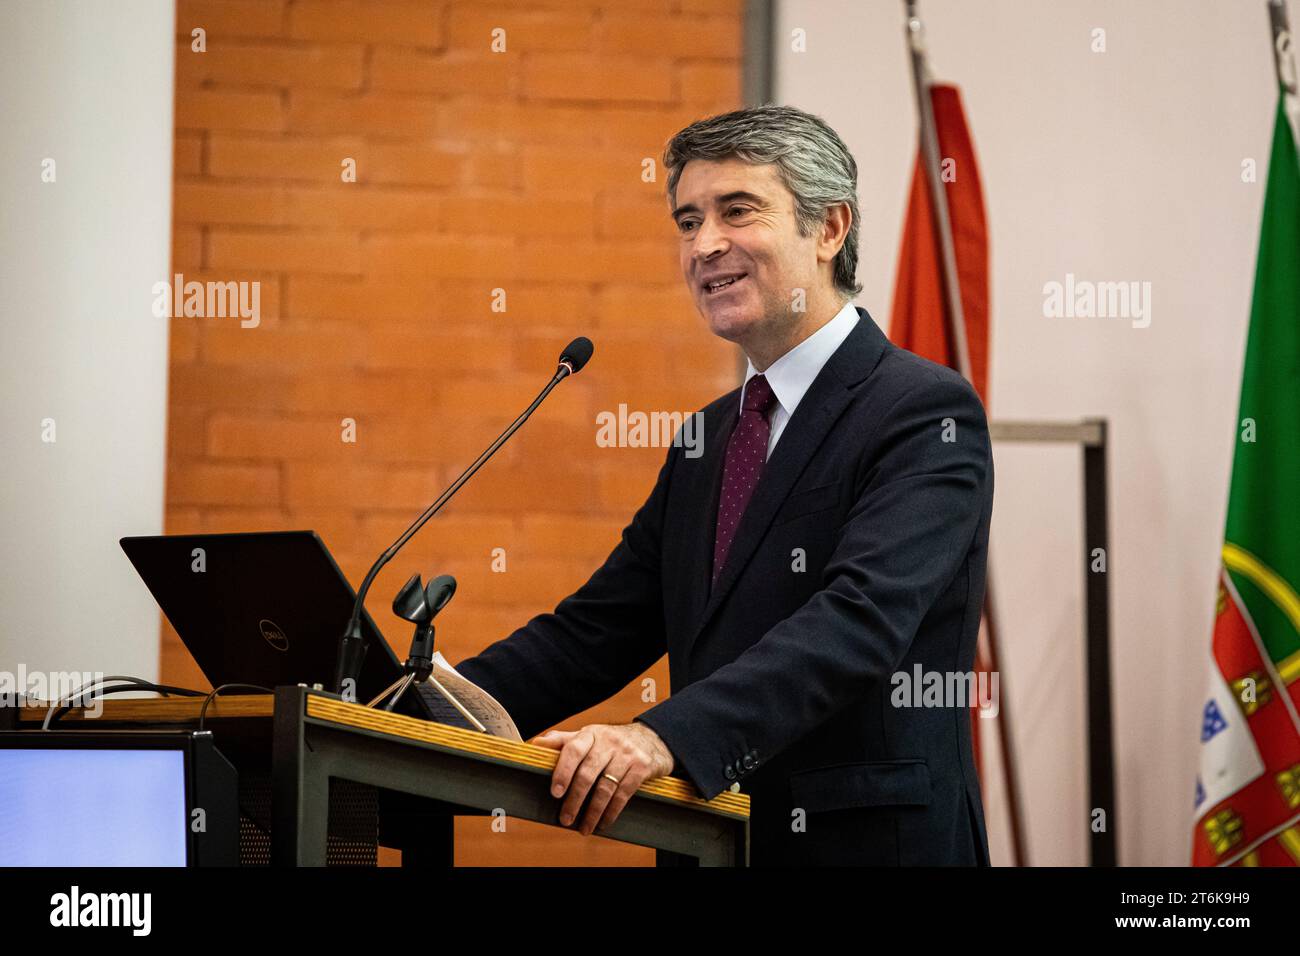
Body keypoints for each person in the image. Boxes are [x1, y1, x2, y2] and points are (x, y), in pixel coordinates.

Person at [455, 104, 993, 866]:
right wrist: (430, 700)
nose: (705, 245)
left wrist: (663, 735)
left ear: (830, 228)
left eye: (737, 211)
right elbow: (597, 630)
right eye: (686, 220)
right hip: (713, 843)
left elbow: (859, 621)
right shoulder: (709, 437)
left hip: (867, 845)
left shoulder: (921, 411)